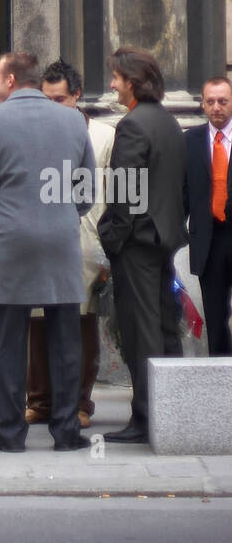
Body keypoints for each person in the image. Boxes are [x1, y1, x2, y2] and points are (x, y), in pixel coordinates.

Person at [0, 51, 95, 453]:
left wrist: (0, 225)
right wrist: (61, 217)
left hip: (12, 238)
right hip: (60, 239)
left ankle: (9, 434)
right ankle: (66, 432)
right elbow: (86, 189)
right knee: (65, 339)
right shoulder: (73, 120)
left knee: (9, 340)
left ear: (9, 80)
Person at [98, 47, 187, 443]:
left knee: (141, 329)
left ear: (131, 82)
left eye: (116, 78)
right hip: (163, 236)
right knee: (165, 326)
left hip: (137, 241)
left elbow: (124, 192)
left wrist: (112, 236)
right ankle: (171, 410)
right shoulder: (168, 121)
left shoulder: (133, 125)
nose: (113, 85)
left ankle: (148, 417)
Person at [28, 58, 116, 428]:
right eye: (45, 99)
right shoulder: (31, 132)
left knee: (81, 324)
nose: (52, 107)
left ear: (77, 96)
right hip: (40, 241)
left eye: (60, 99)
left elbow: (113, 194)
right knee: (37, 323)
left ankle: (80, 402)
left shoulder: (104, 137)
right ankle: (41, 401)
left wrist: (106, 249)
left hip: (85, 241)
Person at [184, 77, 232, 356]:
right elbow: (182, 191)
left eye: (223, 101)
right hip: (208, 241)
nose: (216, 107)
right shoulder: (189, 140)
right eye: (211, 101)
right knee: (214, 317)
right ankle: (221, 375)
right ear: (202, 103)